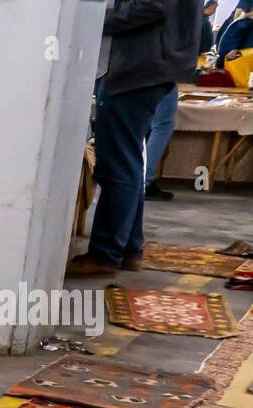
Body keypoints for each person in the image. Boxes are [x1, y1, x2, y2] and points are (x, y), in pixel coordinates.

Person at [67, 0, 204, 277]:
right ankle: (128, 247)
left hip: (141, 68)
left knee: (117, 163)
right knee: (126, 160)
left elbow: (151, 5)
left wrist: (95, 20)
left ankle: (106, 252)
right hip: (149, 66)